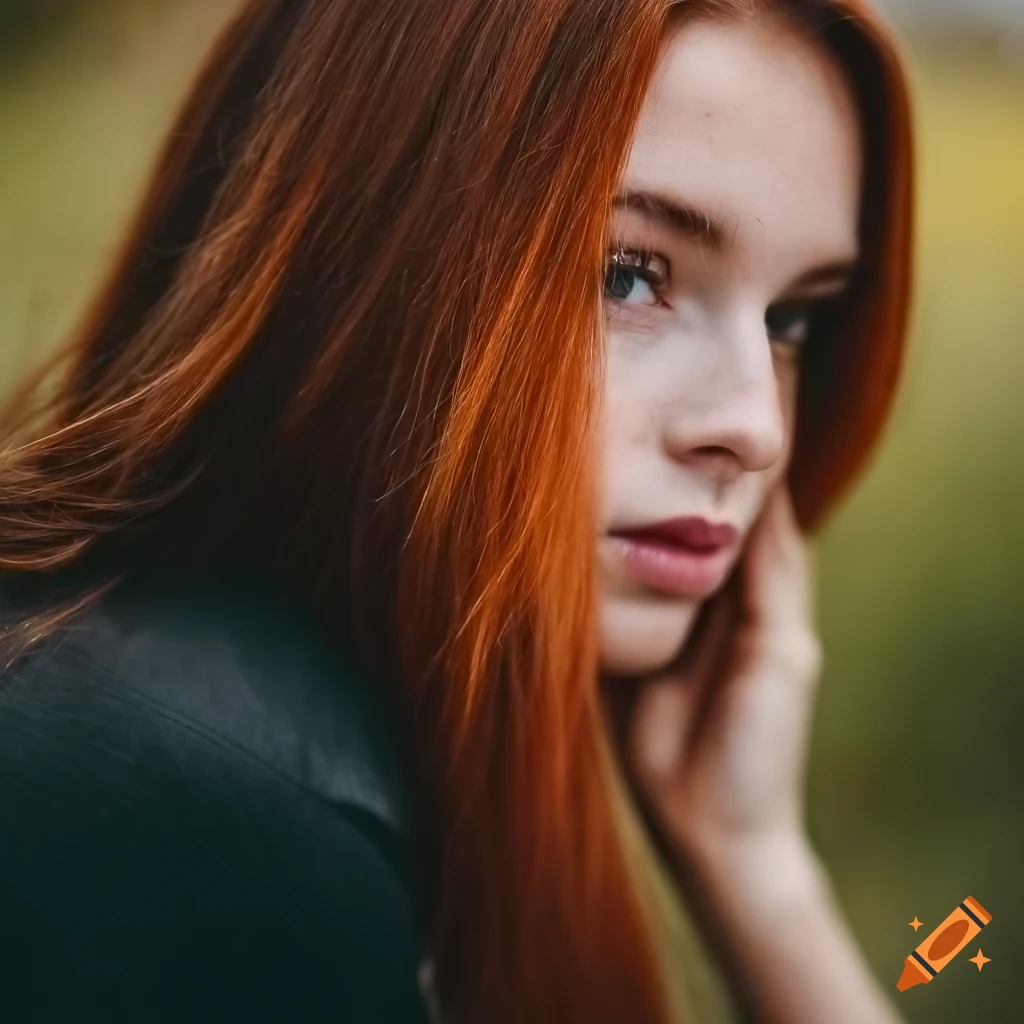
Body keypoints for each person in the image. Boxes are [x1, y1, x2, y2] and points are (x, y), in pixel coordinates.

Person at [0, 0, 913, 1021]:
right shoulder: (184, 800)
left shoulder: (328, 748)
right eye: (627, 274)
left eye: (793, 318)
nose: (757, 431)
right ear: (363, 252)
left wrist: (756, 869)